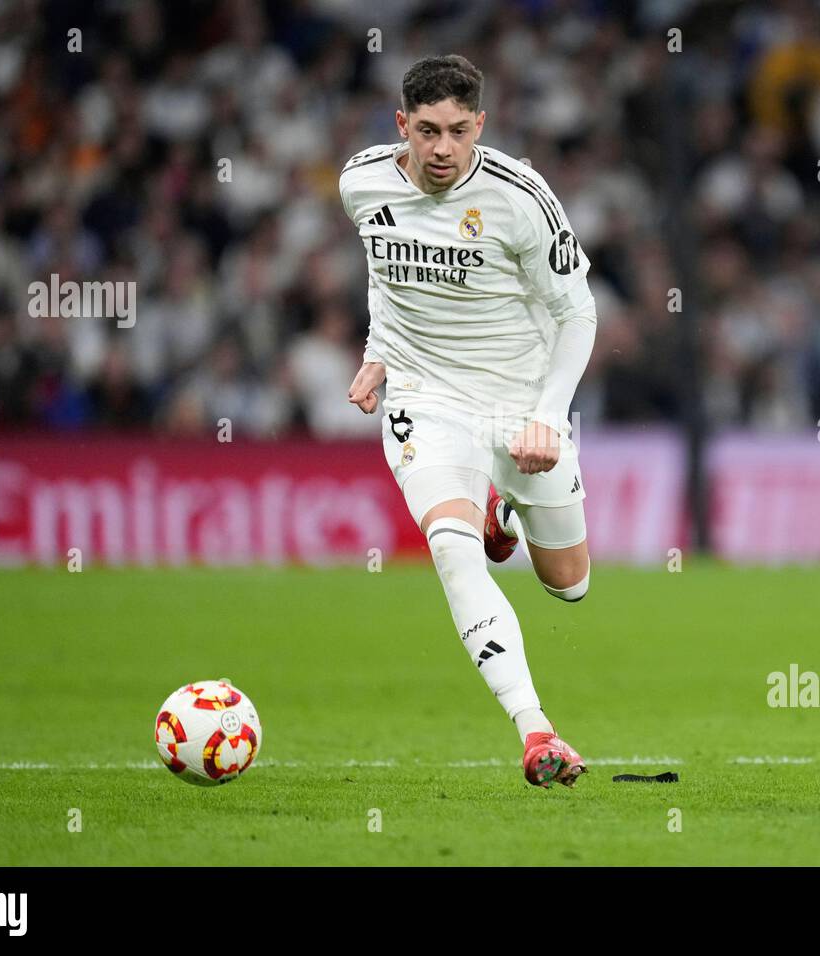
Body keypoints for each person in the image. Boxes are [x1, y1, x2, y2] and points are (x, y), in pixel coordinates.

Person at [338, 54, 597, 788]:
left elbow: (577, 311)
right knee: (450, 550)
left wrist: (549, 415)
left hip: (521, 401)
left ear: (480, 124)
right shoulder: (361, 183)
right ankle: (537, 732)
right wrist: (379, 352)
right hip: (427, 397)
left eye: (458, 130)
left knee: (568, 584)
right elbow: (383, 268)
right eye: (427, 131)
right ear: (402, 127)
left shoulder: (521, 196)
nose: (443, 148)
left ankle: (505, 514)